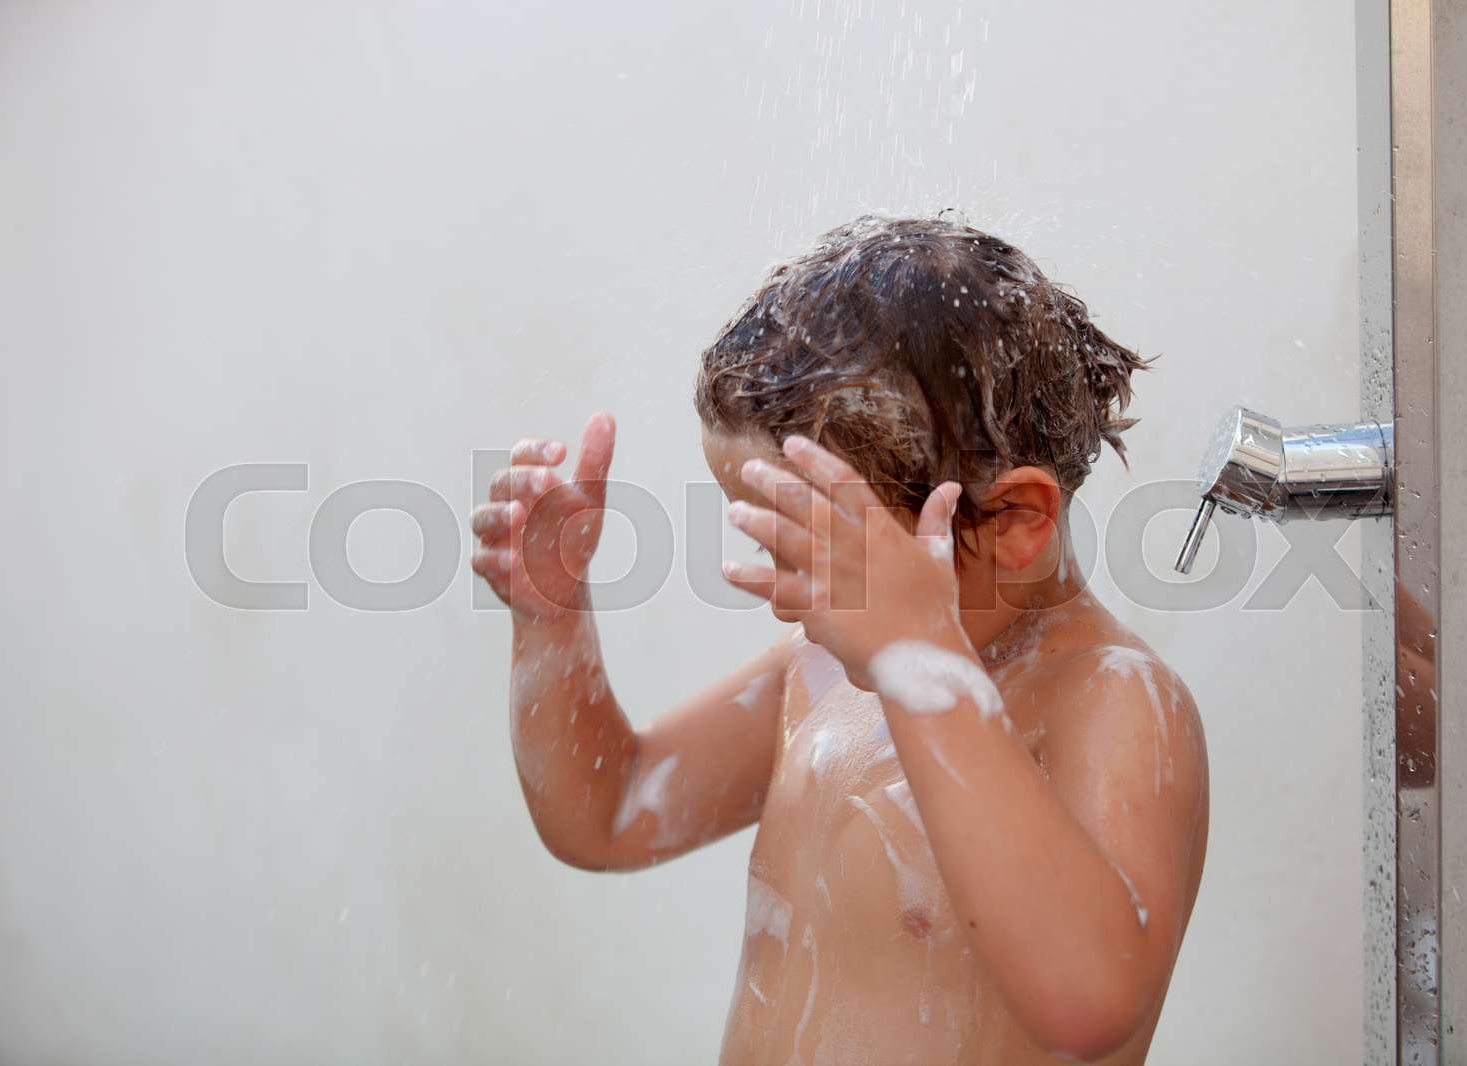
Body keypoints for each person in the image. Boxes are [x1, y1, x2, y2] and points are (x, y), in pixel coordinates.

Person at [471, 216, 1209, 1064]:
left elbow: (1091, 1005)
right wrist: (552, 619)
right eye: (776, 550)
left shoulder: (1114, 702)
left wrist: (923, 664)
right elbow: (606, 812)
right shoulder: (828, 676)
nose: (794, 607)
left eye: (825, 559)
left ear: (1014, 521)